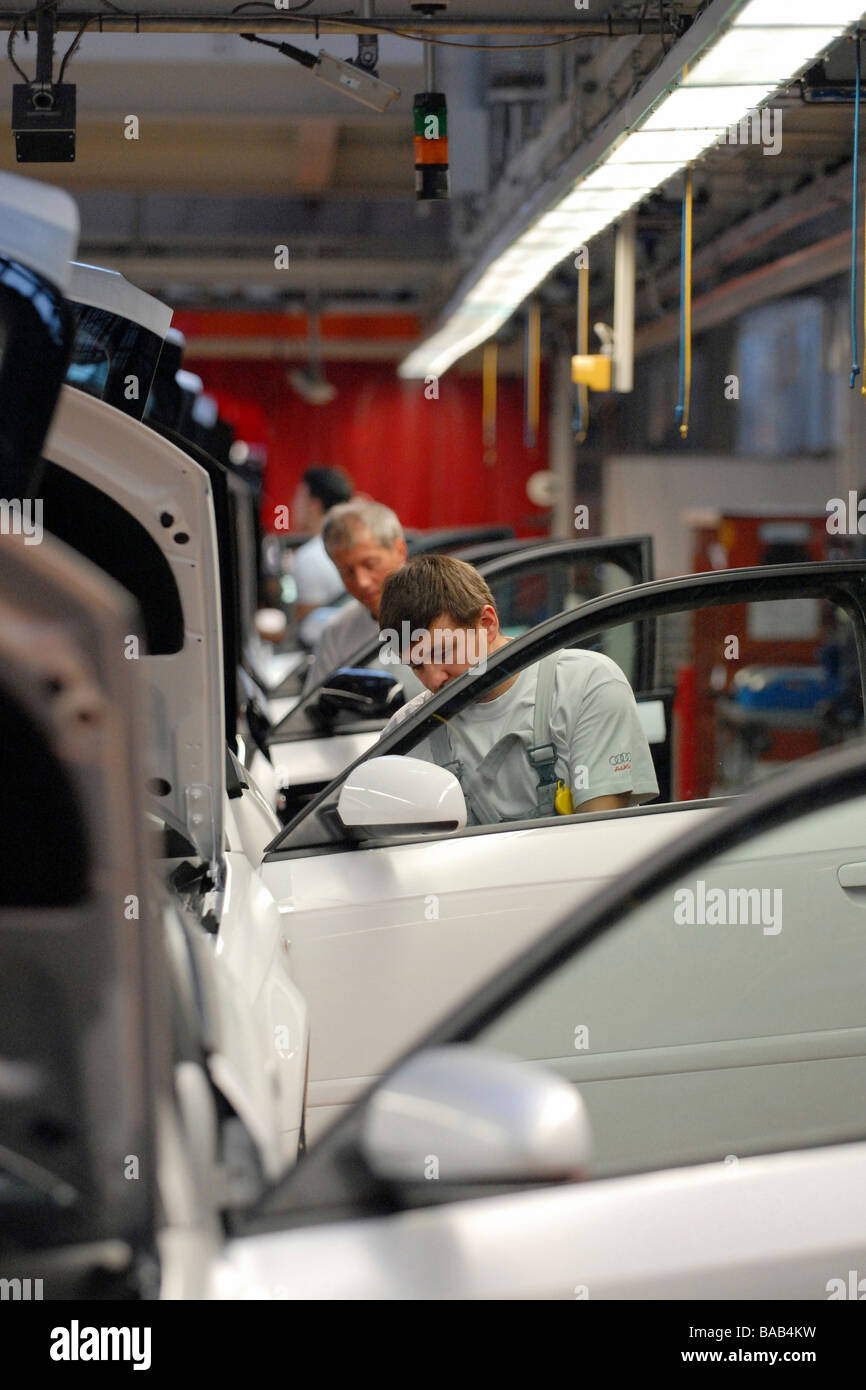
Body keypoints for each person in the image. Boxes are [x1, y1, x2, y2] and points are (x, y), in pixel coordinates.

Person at [377, 553, 658, 823]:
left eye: (442, 653)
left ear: (486, 624)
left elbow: (600, 837)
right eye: (417, 666)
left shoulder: (586, 685)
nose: (433, 679)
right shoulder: (408, 732)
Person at [301, 498, 415, 695]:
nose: (361, 581)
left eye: (370, 565)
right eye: (347, 572)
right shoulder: (336, 634)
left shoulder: (446, 618)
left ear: (400, 551)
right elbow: (313, 712)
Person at [291, 466, 354, 620]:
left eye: (298, 497)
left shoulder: (309, 557)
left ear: (314, 505)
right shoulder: (354, 543)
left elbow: (305, 627)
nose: (293, 504)